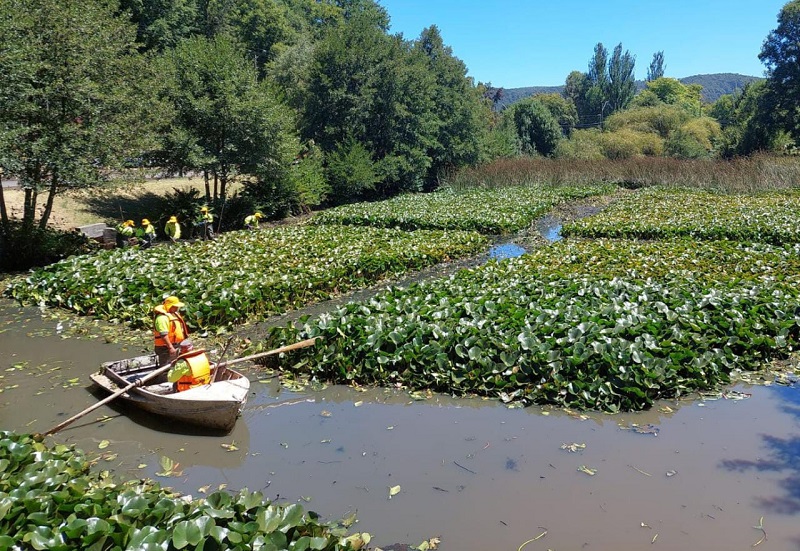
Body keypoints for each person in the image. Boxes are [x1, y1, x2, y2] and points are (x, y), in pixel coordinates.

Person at [152, 295, 190, 366]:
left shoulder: (173, 314)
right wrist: (171, 348)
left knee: (176, 365)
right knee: (166, 367)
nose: (177, 308)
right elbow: (163, 335)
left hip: (176, 344)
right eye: (175, 306)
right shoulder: (162, 318)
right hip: (165, 347)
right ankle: (163, 377)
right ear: (169, 306)